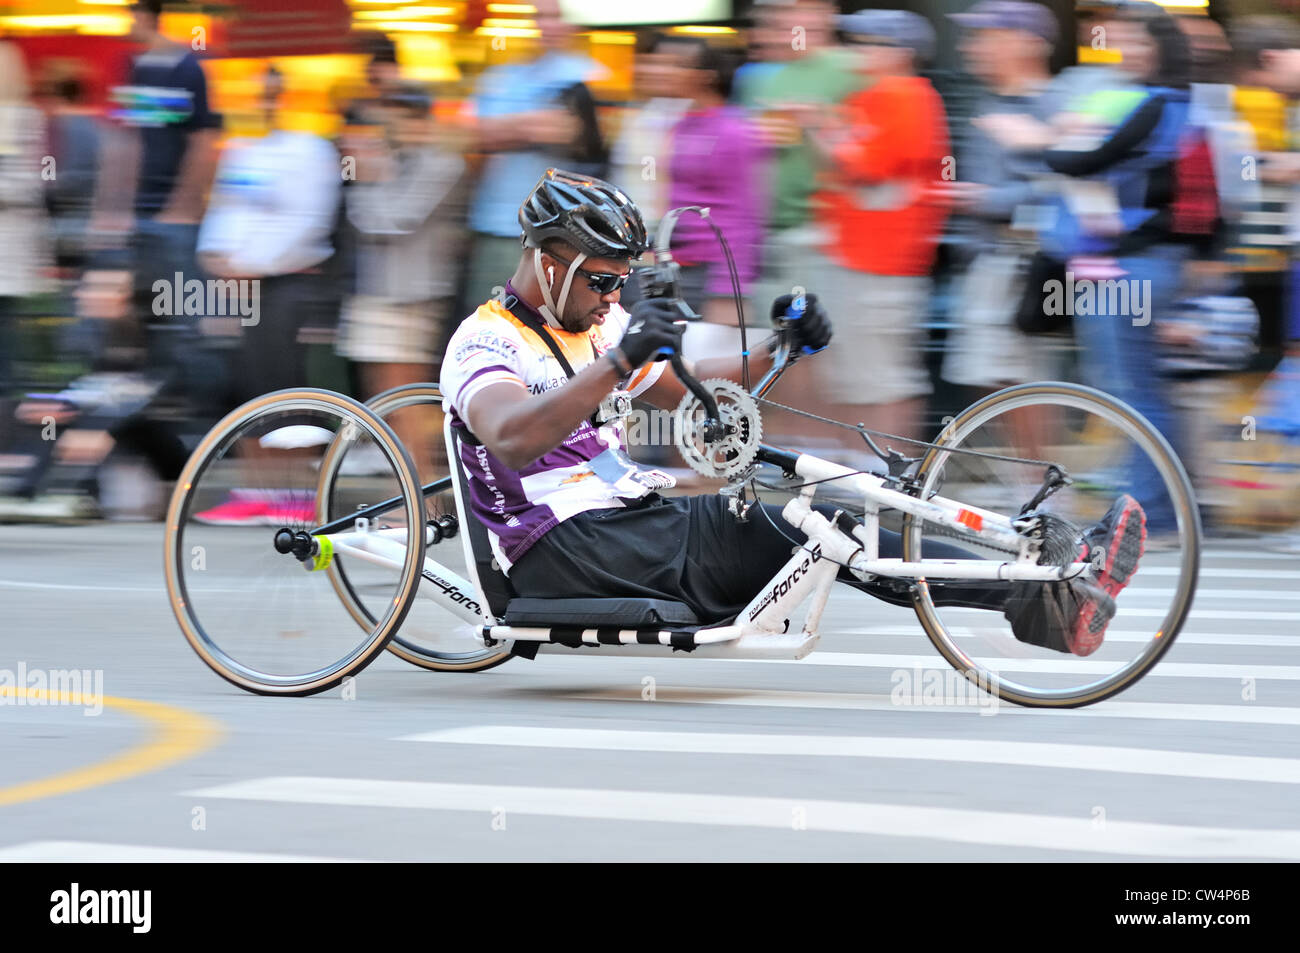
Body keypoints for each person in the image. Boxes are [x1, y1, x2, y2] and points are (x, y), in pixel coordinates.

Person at [438, 167, 1147, 657]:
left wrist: (784, 343)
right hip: (561, 549)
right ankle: (1051, 600)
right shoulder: (484, 341)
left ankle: (1053, 576)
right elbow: (513, 436)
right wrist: (618, 363)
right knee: (823, 522)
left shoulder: (596, 325)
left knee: (834, 493)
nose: (611, 294)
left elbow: (691, 384)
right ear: (548, 262)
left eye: (621, 281)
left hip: (632, 523)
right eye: (600, 279)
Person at [804, 10, 951, 453]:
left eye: (873, 42)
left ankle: (890, 476)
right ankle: (861, 470)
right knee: (852, 374)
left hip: (883, 260)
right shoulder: (870, 96)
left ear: (902, 53)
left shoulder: (906, 94)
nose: (860, 49)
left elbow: (865, 166)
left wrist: (817, 127)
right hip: (855, 253)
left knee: (881, 377)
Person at [458, 0, 609, 318]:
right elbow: (469, 136)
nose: (546, 26)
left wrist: (505, 129)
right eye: (538, 16)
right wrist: (536, 126)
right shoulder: (501, 77)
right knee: (491, 329)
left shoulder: (592, 74)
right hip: (499, 229)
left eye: (555, 16)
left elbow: (579, 135)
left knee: (554, 337)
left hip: (564, 238)